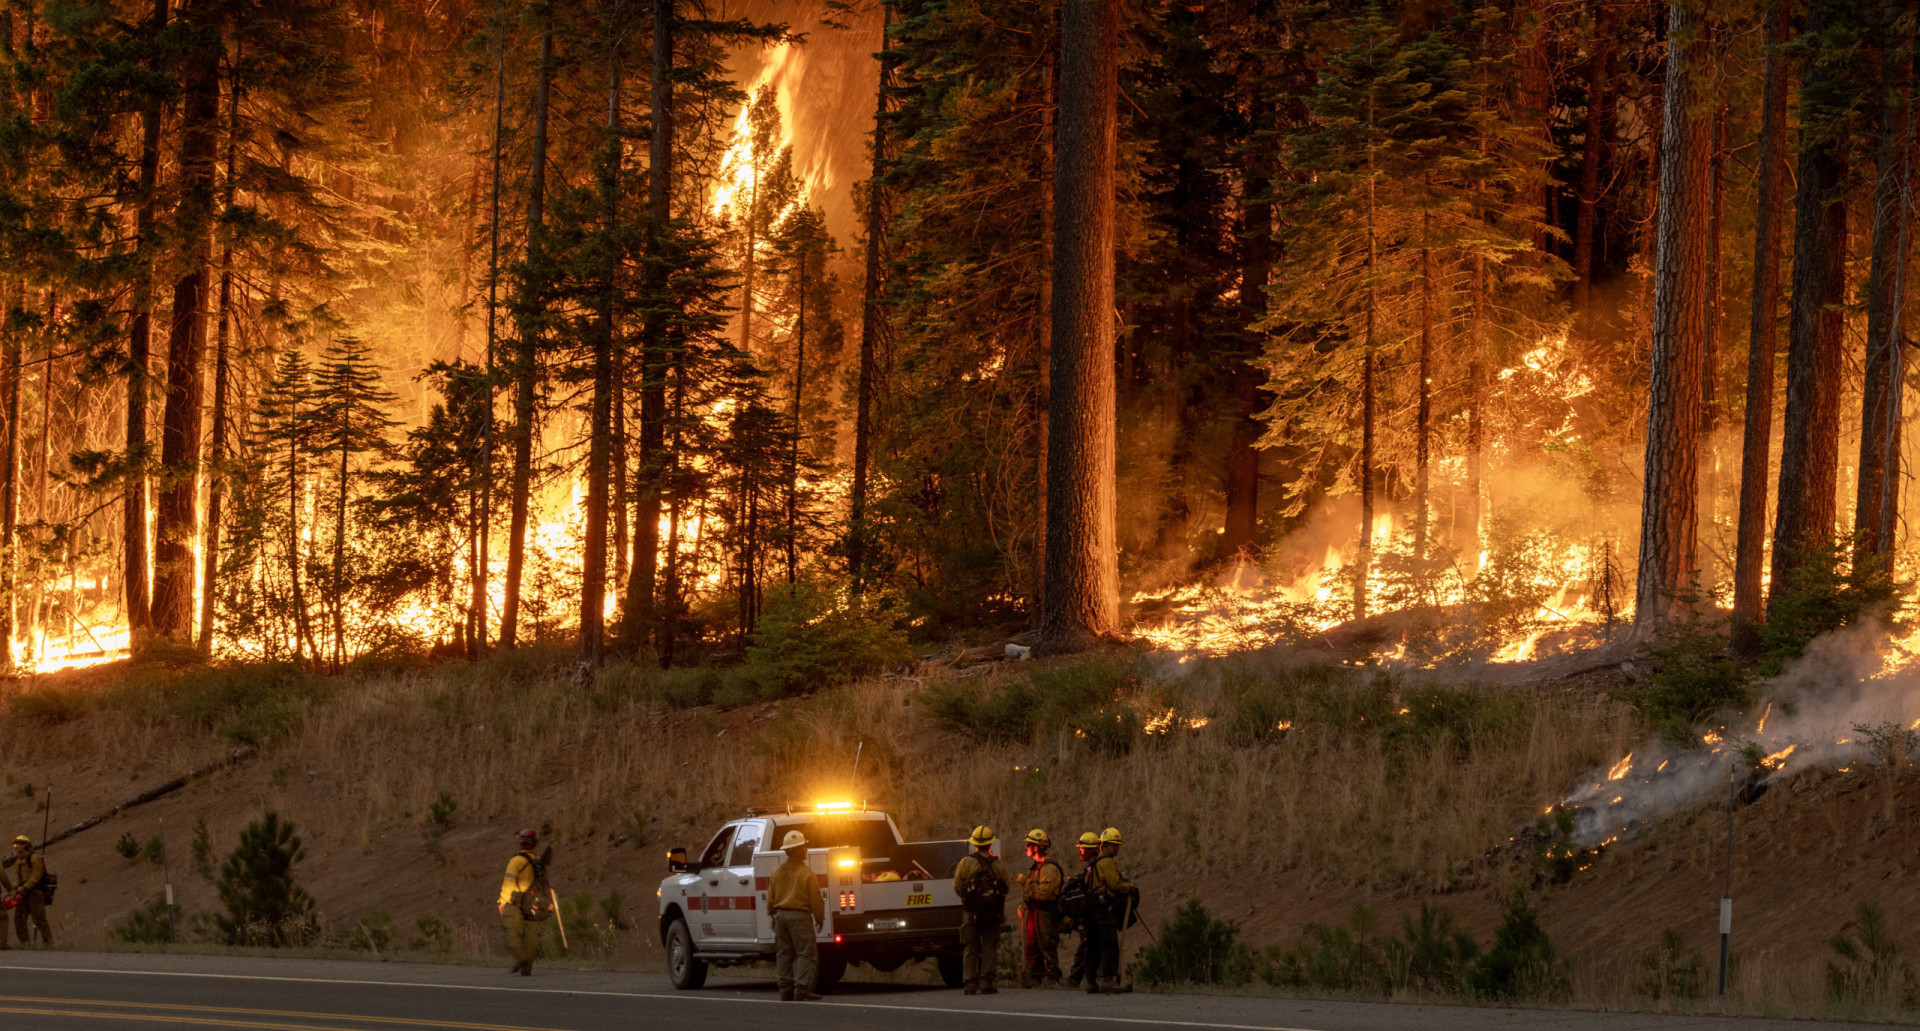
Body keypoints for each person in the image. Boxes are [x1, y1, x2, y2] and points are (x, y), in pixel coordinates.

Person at [952, 825, 1013, 995]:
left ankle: (970, 983)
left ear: (975, 845)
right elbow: (1006, 887)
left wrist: (971, 901)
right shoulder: (998, 865)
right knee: (989, 947)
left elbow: (957, 887)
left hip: (971, 914)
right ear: (990, 844)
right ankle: (987, 983)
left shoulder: (965, 863)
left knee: (970, 947)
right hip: (993, 914)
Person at [770, 830, 824, 1001]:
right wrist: (819, 918)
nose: (806, 849)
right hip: (799, 917)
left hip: (780, 917)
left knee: (784, 954)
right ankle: (801, 989)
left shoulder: (777, 872)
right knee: (805, 952)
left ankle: (785, 989)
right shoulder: (807, 873)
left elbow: (770, 897)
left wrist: (773, 916)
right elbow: (815, 898)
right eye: (803, 847)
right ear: (796, 850)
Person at [1085, 827, 1135, 994]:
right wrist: (1128, 887)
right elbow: (1114, 884)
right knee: (1109, 944)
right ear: (1104, 846)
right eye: (1113, 845)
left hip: (1092, 910)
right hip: (1104, 910)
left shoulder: (1094, 863)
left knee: (1093, 945)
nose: (1116, 848)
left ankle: (1091, 982)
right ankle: (1107, 981)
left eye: (1117, 845)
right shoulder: (1107, 862)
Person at [496, 829, 550, 976]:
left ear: (521, 843)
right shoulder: (539, 861)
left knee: (509, 929)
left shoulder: (516, 861)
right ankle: (527, 968)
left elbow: (509, 883)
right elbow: (544, 882)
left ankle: (521, 957)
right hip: (535, 903)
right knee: (531, 935)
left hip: (517, 902)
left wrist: (502, 901)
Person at [1017, 828, 1063, 988]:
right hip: (1034, 911)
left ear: (1036, 847)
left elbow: (1043, 893)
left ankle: (1052, 978)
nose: (1025, 848)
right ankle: (1036, 977)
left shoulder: (1049, 868)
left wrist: (1026, 882)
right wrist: (1024, 905)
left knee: (1047, 944)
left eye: (1028, 845)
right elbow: (1032, 893)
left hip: (1045, 912)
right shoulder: (1036, 867)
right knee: (1032, 945)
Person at [1066, 831, 1100, 990]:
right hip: (1088, 915)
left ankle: (1077, 980)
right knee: (1087, 946)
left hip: (1093, 913)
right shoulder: (1088, 867)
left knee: (1088, 946)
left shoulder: (1095, 867)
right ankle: (1077, 980)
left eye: (1084, 848)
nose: (1080, 851)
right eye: (1080, 848)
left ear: (1093, 849)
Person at [8, 836, 50, 947]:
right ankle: (25, 944)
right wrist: (16, 887)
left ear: (25, 845)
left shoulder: (34, 858)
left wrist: (25, 887)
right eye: (14, 845)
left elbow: (37, 875)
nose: (15, 847)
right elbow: (18, 876)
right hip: (22, 894)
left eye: (17, 845)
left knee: (39, 919)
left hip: (34, 893)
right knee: (19, 918)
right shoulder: (19, 860)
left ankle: (48, 943)